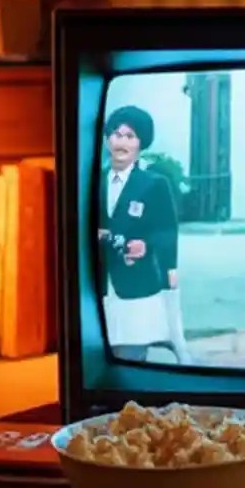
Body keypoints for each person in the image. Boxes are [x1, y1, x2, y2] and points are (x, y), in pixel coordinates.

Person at [96, 105, 179, 362]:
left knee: (131, 358)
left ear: (141, 143)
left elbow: (167, 231)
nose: (121, 142)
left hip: (136, 286)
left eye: (130, 137)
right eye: (117, 134)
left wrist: (146, 245)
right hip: (98, 285)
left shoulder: (154, 184)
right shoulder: (92, 181)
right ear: (108, 138)